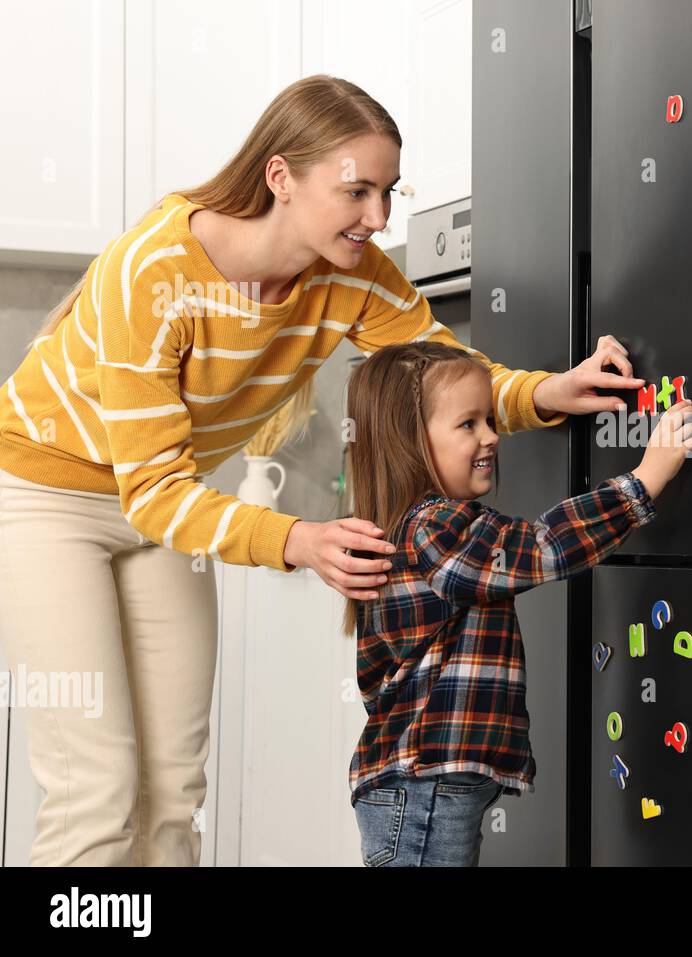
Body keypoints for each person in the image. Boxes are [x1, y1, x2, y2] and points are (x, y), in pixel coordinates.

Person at [0, 75, 641, 866]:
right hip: (49, 496)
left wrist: (549, 390)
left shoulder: (353, 275)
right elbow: (156, 490)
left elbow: (449, 373)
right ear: (281, 178)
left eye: (388, 194)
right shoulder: (156, 272)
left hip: (166, 507)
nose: (377, 218)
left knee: (172, 790)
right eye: (357, 191)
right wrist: (298, 538)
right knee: (94, 789)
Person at [344, 341, 692, 866]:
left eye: (490, 418)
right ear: (410, 442)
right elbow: (540, 547)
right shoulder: (433, 528)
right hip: (422, 789)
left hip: (424, 787)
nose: (491, 436)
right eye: (469, 424)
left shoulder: (413, 529)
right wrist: (644, 480)